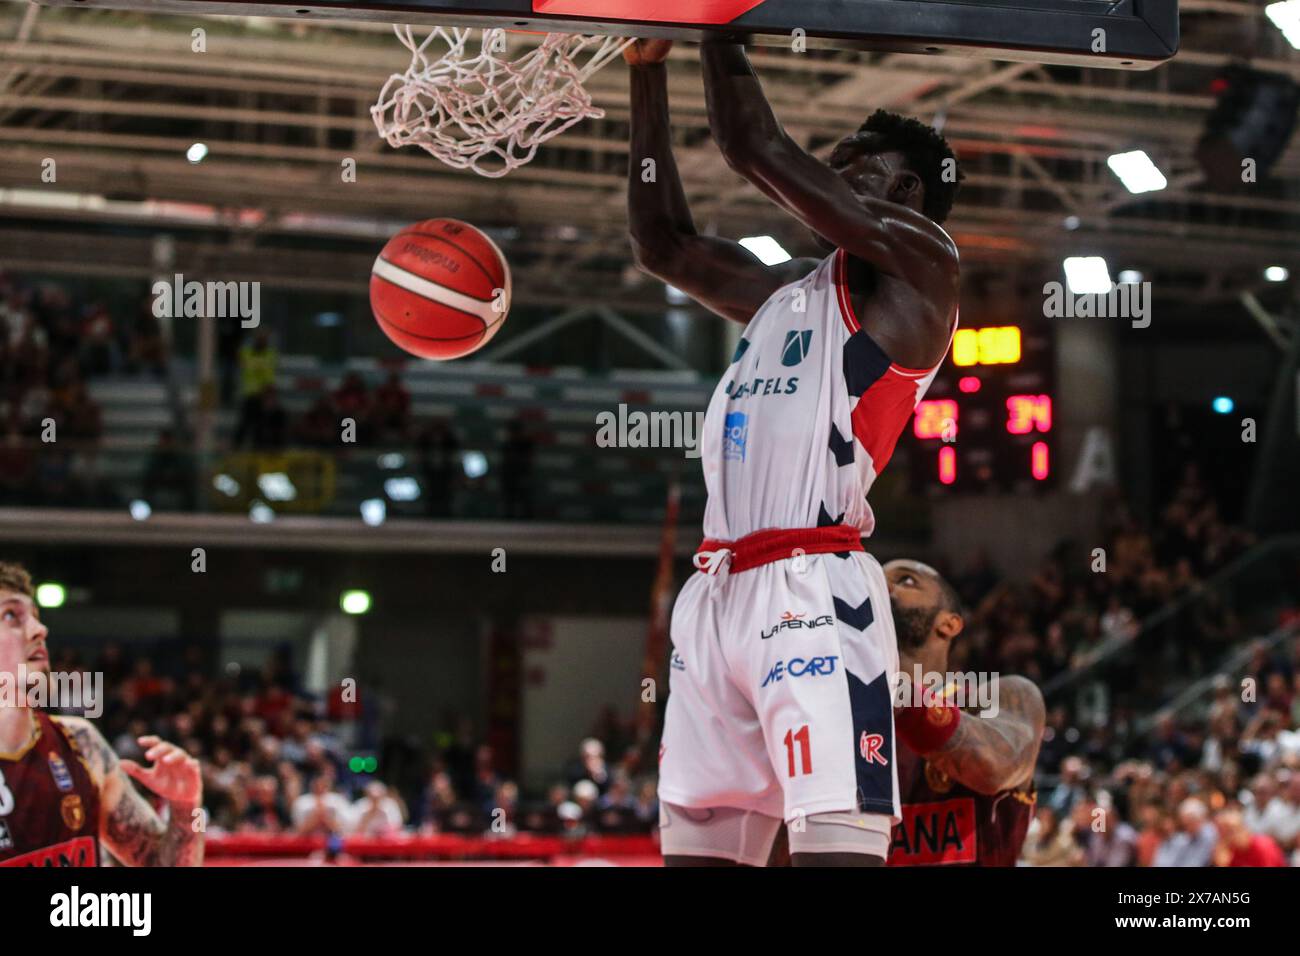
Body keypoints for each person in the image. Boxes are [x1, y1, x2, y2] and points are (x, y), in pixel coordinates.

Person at [627, 37, 961, 867]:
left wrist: (715, 21)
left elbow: (755, 147)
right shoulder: (785, 296)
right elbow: (662, 244)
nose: (834, 167)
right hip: (718, 594)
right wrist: (645, 69)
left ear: (906, 193)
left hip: (814, 589)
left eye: (856, 161)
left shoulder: (926, 269)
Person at [0, 562, 204, 866]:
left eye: (36, 617)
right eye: (11, 615)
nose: (40, 630)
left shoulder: (80, 743)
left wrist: (187, 810)